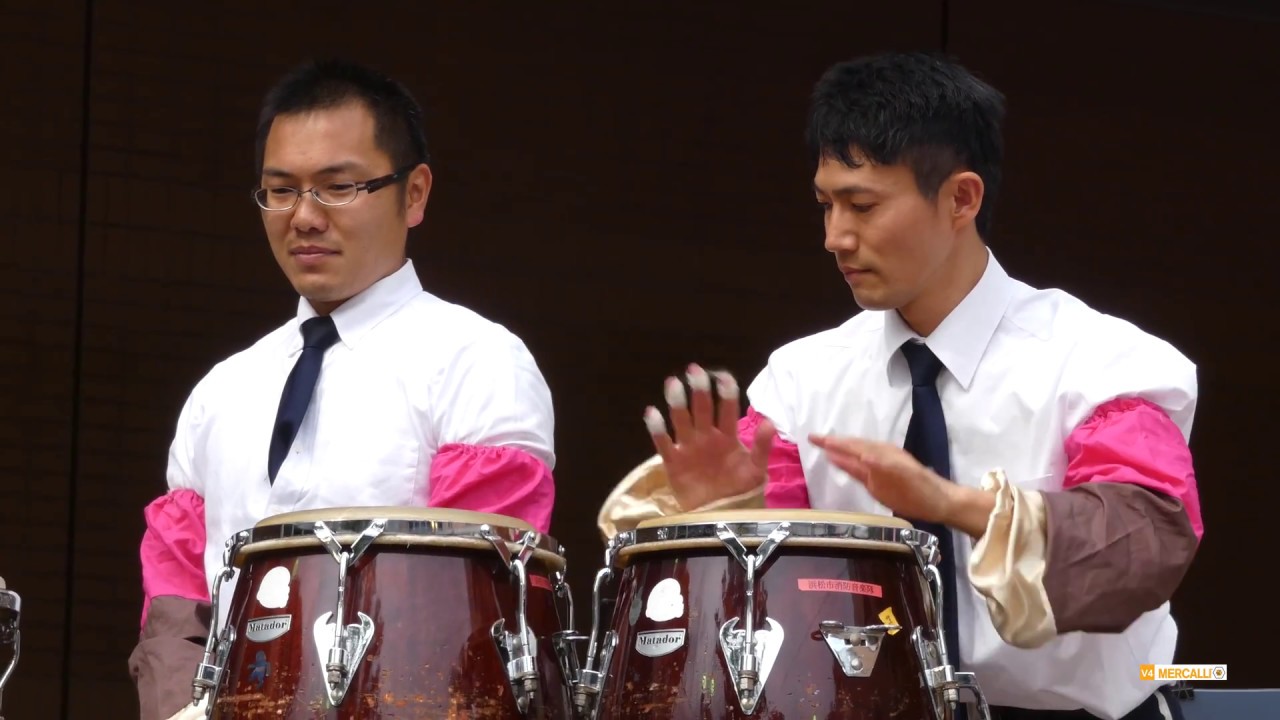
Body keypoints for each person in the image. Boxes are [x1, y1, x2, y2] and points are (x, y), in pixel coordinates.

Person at [599, 52, 1201, 720]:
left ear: (961, 199)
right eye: (825, 204)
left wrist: (949, 502)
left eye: (863, 205)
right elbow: (776, 614)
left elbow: (1143, 540)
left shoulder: (1102, 362)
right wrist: (723, 524)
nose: (835, 236)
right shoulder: (800, 380)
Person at [128, 59, 557, 720]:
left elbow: (481, 606)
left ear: (413, 194)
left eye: (338, 187)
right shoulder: (219, 392)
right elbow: (175, 601)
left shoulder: (478, 361)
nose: (304, 216)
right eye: (280, 190)